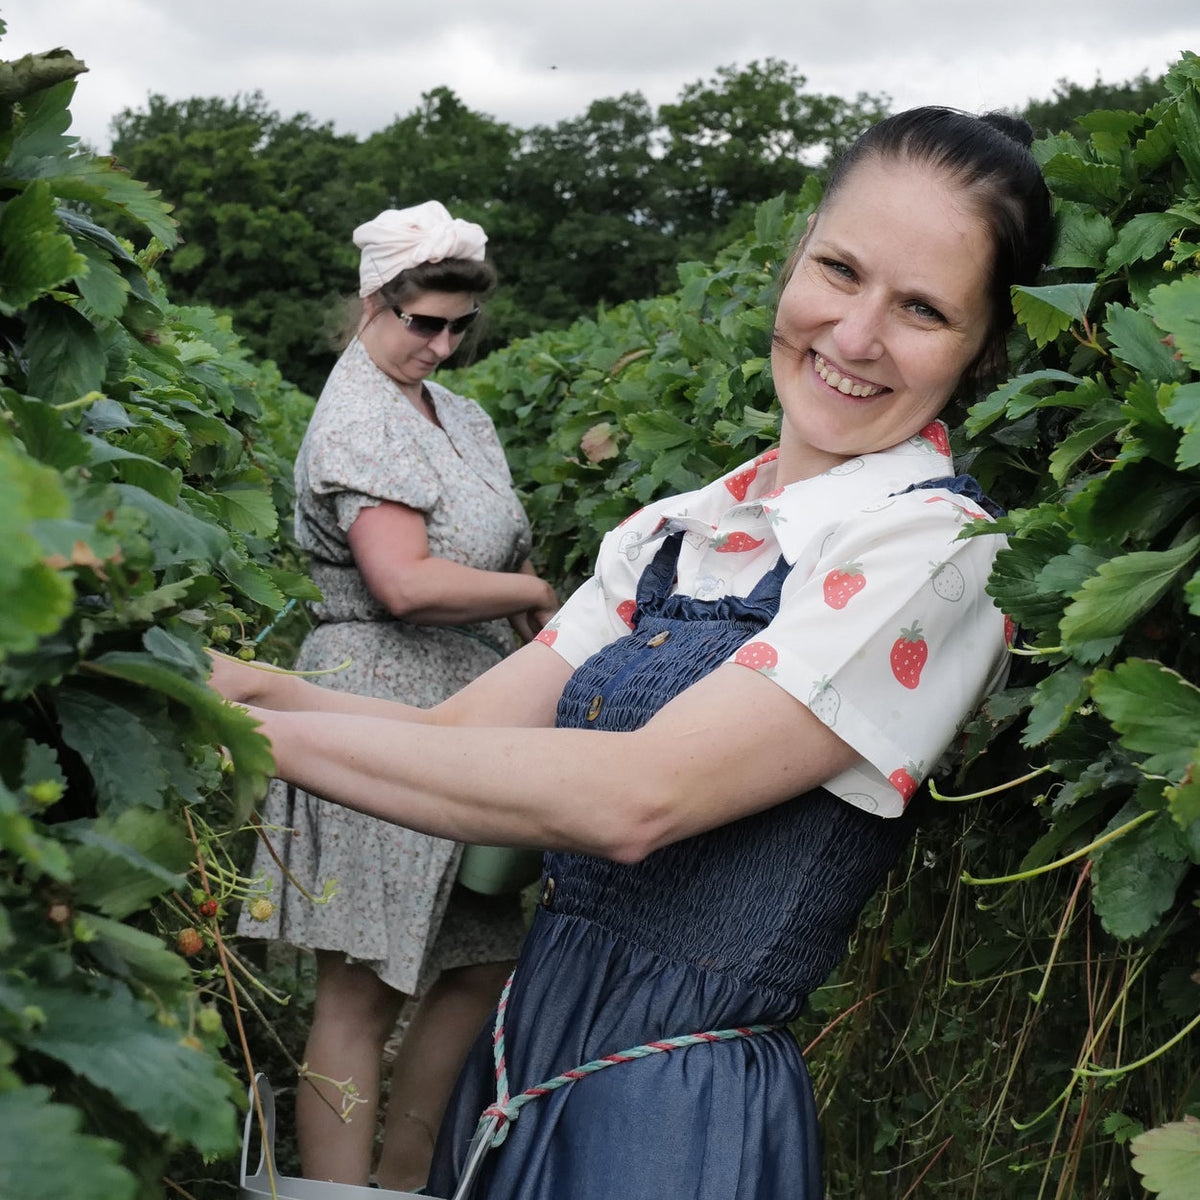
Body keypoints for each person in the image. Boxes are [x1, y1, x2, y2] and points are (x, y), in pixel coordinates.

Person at [212, 108, 1054, 1199]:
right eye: (839, 271)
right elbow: (452, 740)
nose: (853, 336)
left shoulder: (934, 554)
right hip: (525, 1057)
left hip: (668, 1112)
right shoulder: (678, 531)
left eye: (923, 309)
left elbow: (637, 799)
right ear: (796, 255)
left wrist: (251, 733)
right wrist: (236, 685)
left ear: (983, 348)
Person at [233, 201, 558, 1191]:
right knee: (363, 981)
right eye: (424, 323)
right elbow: (405, 583)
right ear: (376, 301)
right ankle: (335, 1194)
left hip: (472, 703)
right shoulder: (357, 419)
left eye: (461, 326)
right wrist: (537, 594)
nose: (444, 344)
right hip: (375, 687)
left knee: (478, 962)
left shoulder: (457, 412)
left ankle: (405, 1178)